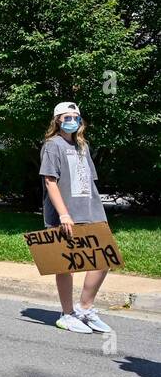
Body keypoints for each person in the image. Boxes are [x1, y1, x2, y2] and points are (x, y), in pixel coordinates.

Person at [40, 102, 112, 334]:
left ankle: (85, 308)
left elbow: (88, 182)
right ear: (58, 120)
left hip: (90, 211)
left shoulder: (83, 146)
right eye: (66, 116)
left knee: (104, 260)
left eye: (75, 116)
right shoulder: (53, 145)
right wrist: (63, 214)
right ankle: (67, 314)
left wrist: (98, 211)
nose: (72, 120)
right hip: (65, 214)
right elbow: (50, 181)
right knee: (66, 265)